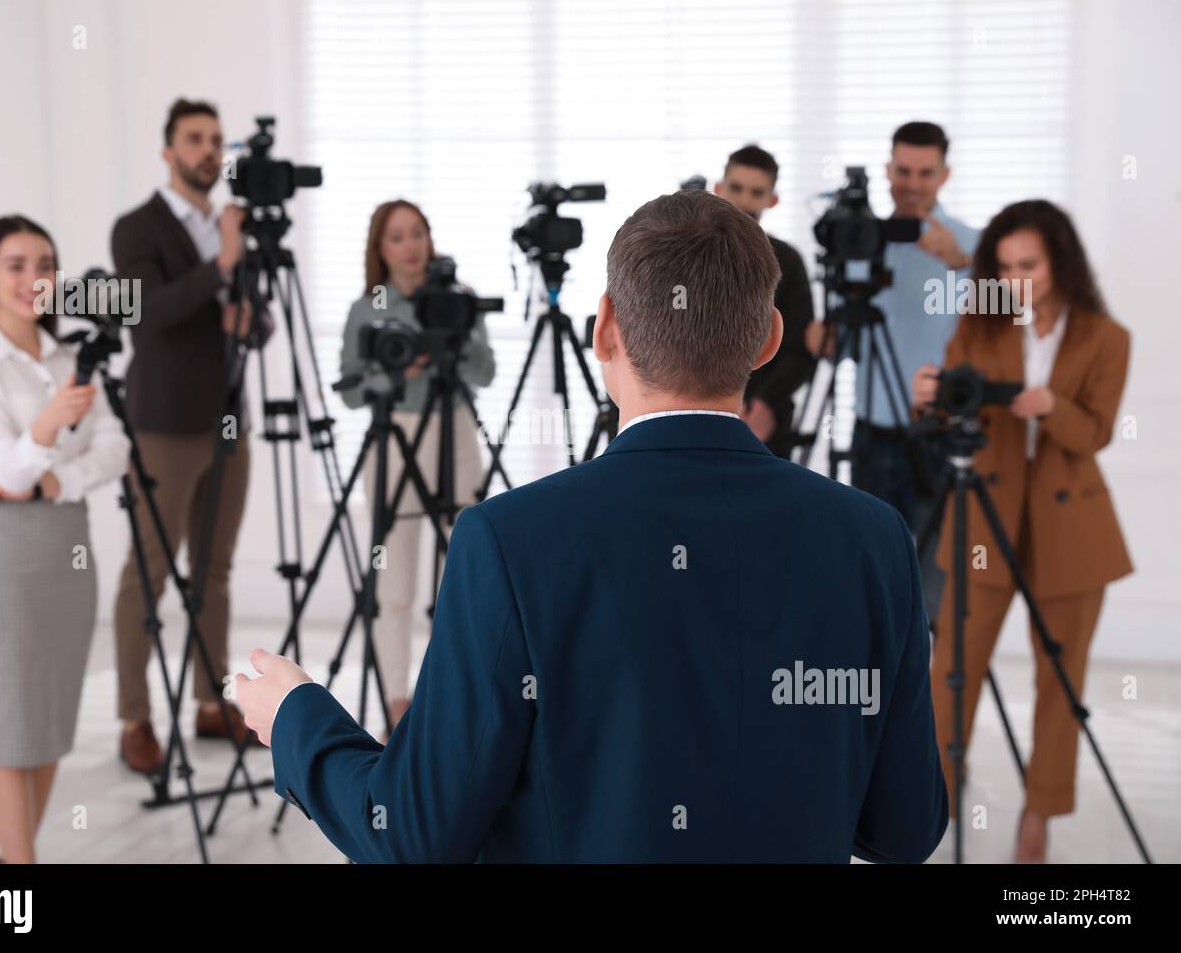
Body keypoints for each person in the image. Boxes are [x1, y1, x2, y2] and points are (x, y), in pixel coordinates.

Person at [235, 190, 948, 863]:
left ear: (604, 327)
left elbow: (415, 833)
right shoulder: (873, 538)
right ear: (769, 338)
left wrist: (299, 720)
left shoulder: (507, 540)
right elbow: (906, 828)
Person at [911, 200, 1132, 863]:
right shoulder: (977, 326)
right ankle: (933, 801)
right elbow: (954, 418)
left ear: (1060, 260)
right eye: (1003, 267)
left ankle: (1039, 815)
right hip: (982, 518)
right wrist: (931, 396)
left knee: (1059, 682)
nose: (1015, 279)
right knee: (951, 668)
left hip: (1073, 530)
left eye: (1028, 265)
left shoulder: (1105, 336)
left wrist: (1052, 407)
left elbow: (1093, 432)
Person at [0, 215, 130, 863]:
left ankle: (10, 865)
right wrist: (47, 428)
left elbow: (115, 448)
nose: (32, 279)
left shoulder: (69, 355)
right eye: (15, 264)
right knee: (8, 730)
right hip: (1, 561)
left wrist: (53, 483)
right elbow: (1, 469)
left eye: (44, 264)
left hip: (65, 557)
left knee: (48, 723)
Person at [110, 98, 272, 774]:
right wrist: (222, 262)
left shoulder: (230, 224)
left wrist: (244, 315)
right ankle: (136, 717)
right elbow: (145, 316)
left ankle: (210, 702)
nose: (208, 150)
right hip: (164, 426)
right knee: (148, 571)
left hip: (230, 422)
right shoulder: (137, 227)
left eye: (215, 140)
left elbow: (260, 324)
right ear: (168, 150)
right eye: (194, 139)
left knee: (215, 568)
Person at [336, 199, 496, 737]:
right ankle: (396, 705)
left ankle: (458, 700)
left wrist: (458, 337)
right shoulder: (368, 306)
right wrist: (401, 371)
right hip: (395, 433)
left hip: (456, 430)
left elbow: (486, 372)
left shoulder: (457, 299)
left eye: (418, 234)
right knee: (394, 581)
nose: (410, 246)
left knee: (468, 570)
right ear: (379, 249)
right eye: (397, 237)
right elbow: (353, 391)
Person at [808, 122, 979, 537]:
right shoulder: (859, 242)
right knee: (871, 565)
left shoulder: (973, 244)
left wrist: (960, 263)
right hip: (869, 435)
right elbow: (845, 344)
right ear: (887, 171)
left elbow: (1013, 316)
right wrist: (827, 339)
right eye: (903, 172)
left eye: (925, 173)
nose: (913, 185)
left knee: (934, 581)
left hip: (938, 435)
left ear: (945, 175)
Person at [713, 144, 815, 455]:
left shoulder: (789, 261)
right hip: (696, 413)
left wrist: (766, 402)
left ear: (773, 199)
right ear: (718, 189)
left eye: (756, 192)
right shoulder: (687, 258)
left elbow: (802, 346)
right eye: (737, 188)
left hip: (767, 424)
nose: (744, 201)